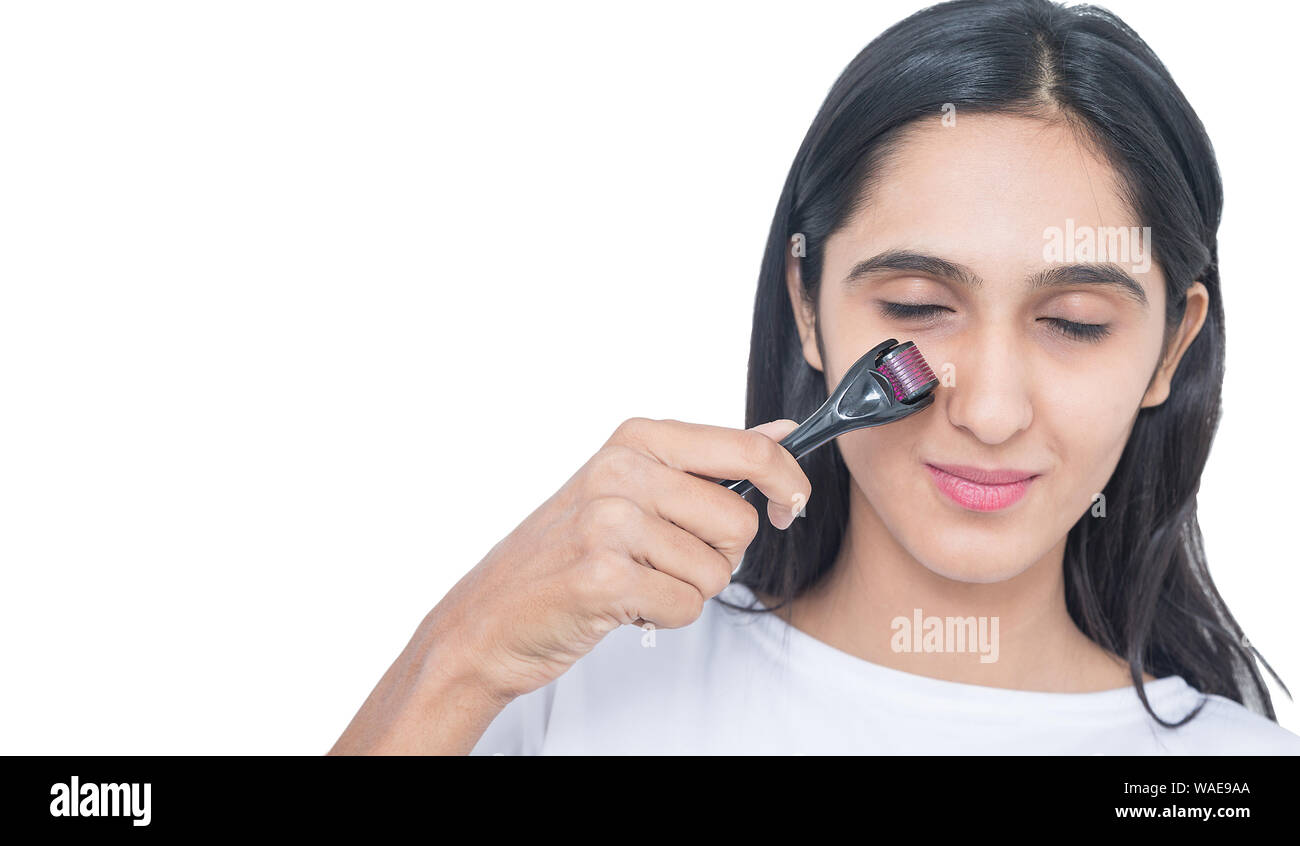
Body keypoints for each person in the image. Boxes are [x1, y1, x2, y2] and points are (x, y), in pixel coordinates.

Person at [329, 0, 1300, 754]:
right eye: (917, 306)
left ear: (1171, 348)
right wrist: (457, 658)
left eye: (1073, 324)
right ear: (806, 301)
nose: (993, 411)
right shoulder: (571, 684)